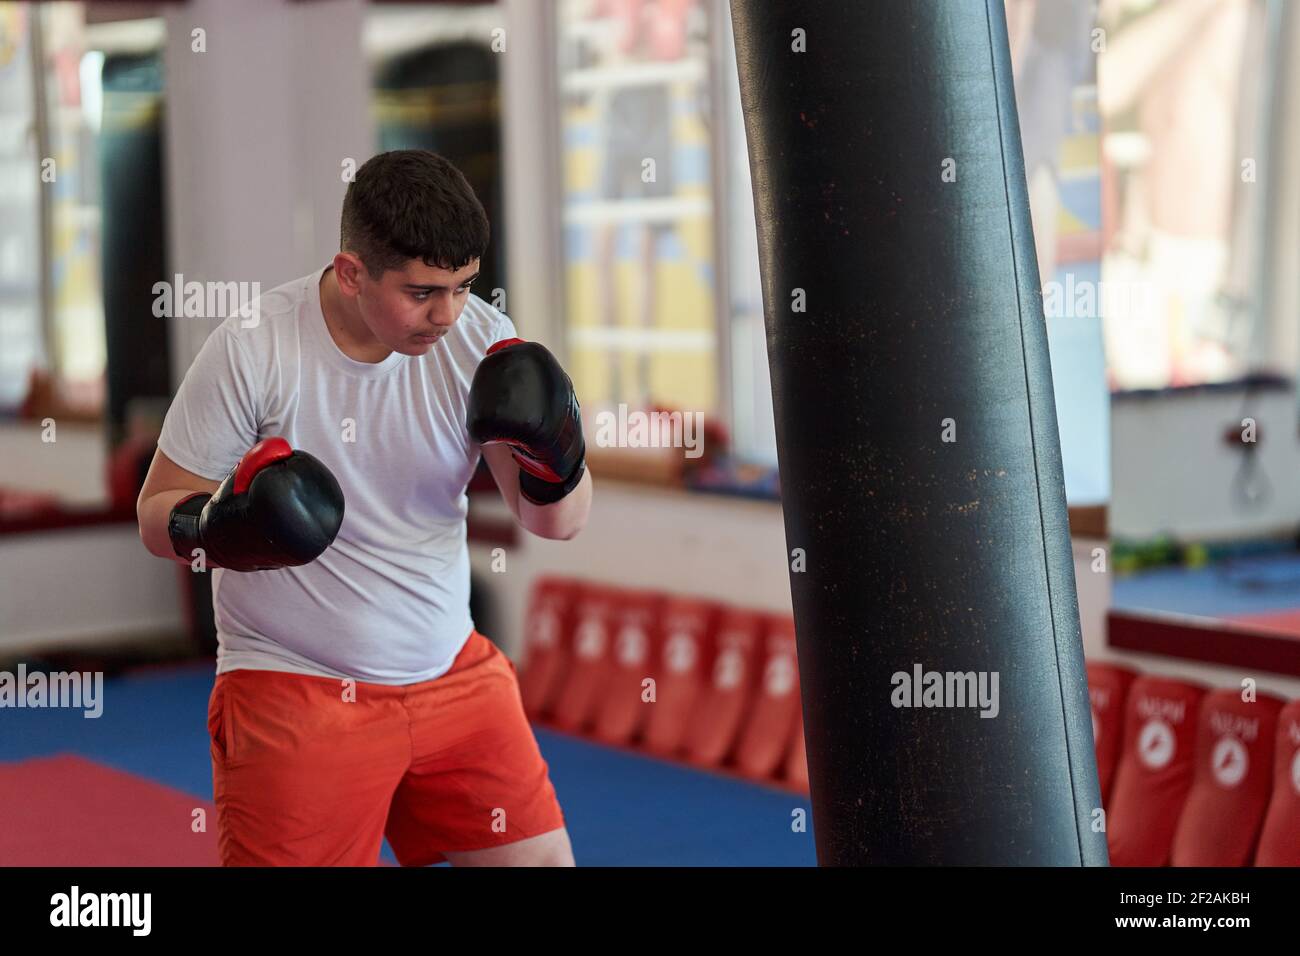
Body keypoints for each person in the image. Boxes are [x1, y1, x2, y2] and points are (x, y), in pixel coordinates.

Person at [136, 149, 592, 866]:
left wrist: (559, 448)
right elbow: (155, 516)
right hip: (296, 685)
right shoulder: (254, 348)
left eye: (464, 286)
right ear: (352, 272)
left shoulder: (479, 341)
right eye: (421, 293)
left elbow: (556, 522)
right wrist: (227, 524)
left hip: (452, 673)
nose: (447, 314)